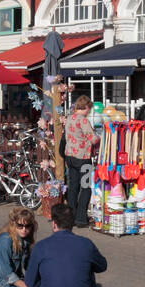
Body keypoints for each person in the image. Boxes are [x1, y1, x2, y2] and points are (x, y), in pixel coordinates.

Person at [23, 205, 108, 287]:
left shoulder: (41, 246)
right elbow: (102, 266)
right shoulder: (86, 244)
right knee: (86, 269)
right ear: (72, 223)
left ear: (54, 224)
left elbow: (31, 283)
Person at [63, 95, 100, 228]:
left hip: (70, 156)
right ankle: (81, 218)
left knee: (73, 187)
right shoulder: (83, 120)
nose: (89, 112)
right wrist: (100, 137)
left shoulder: (69, 118)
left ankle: (71, 217)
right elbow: (93, 138)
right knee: (85, 187)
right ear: (84, 107)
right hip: (83, 157)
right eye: (88, 109)